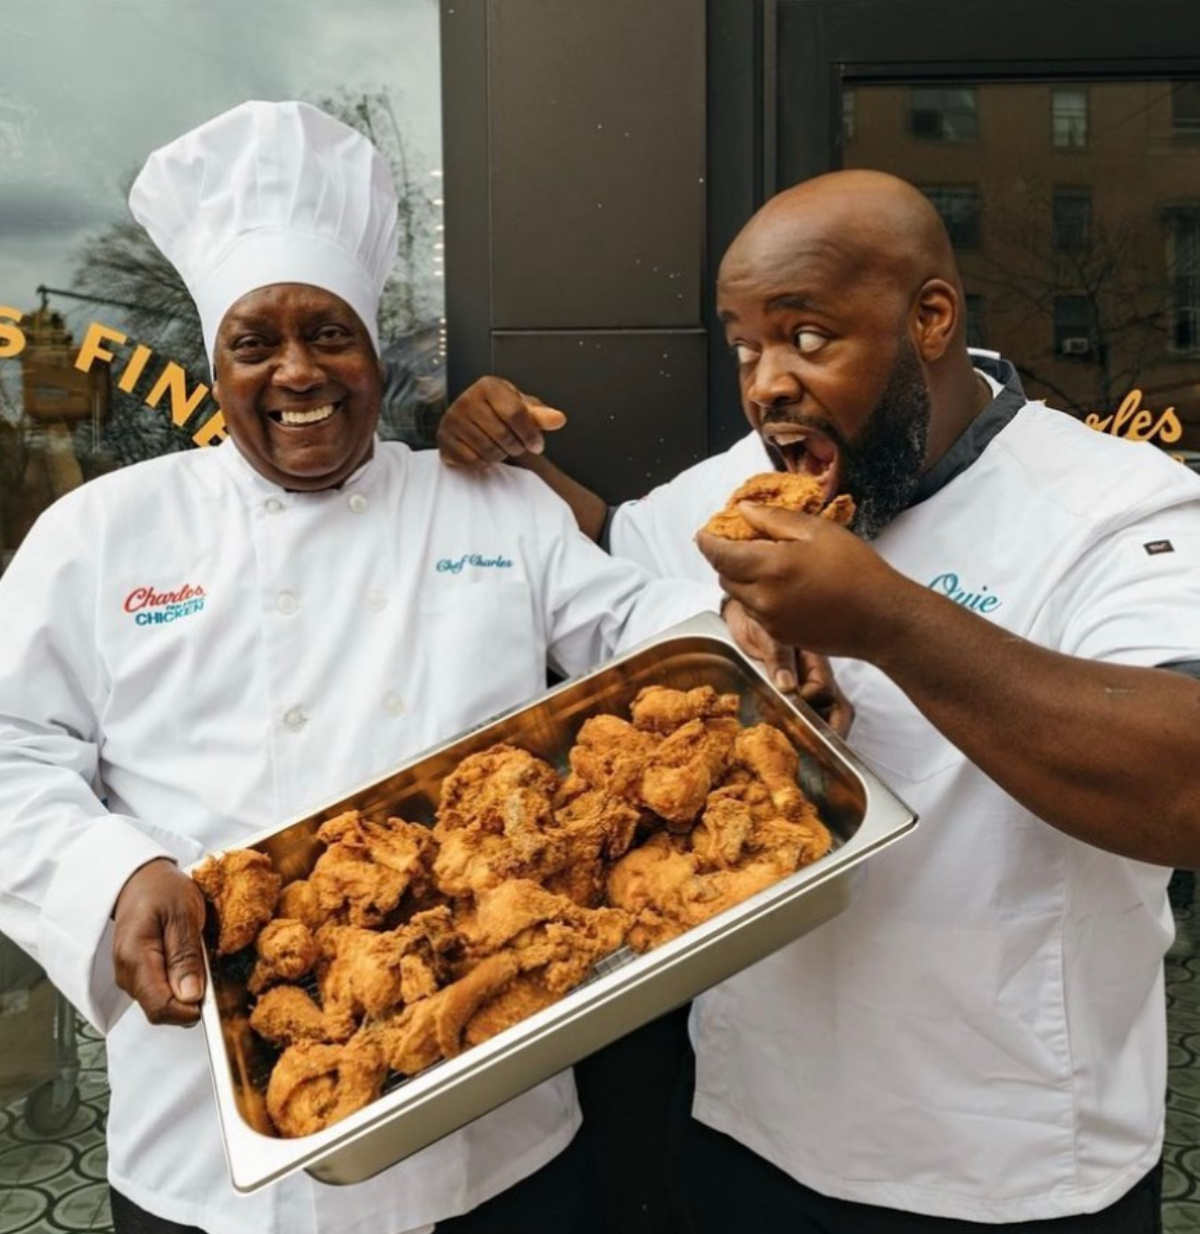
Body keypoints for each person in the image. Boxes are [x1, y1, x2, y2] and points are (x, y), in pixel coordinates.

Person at [0, 100, 754, 1234]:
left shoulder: (491, 503)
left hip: (494, 1126)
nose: (298, 372)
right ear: (215, 362)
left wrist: (752, 640)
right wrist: (116, 874)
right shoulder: (103, 533)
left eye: (330, 334)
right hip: (211, 1132)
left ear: (375, 352)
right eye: (256, 343)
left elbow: (637, 625)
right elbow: (11, 746)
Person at [435, 169, 1200, 1231]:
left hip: (1007, 1158)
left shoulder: (1116, 505)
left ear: (930, 319)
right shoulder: (736, 487)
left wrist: (886, 620)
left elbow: (1183, 786)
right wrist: (502, 457)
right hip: (753, 1131)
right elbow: (600, 554)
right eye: (745, 347)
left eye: (806, 336)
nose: (767, 385)